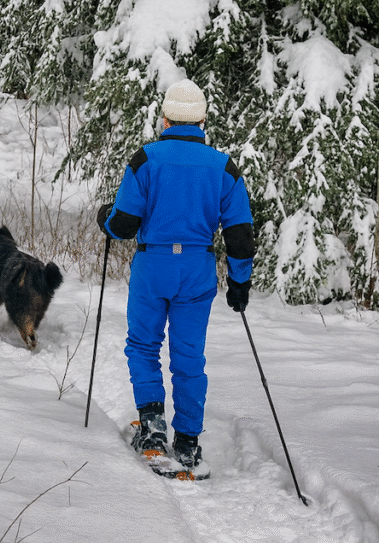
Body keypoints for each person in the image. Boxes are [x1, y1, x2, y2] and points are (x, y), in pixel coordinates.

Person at [97, 78, 254, 478]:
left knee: (143, 346)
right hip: (197, 270)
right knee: (188, 356)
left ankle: (152, 430)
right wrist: (240, 283)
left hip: (154, 267)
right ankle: (187, 441)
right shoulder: (223, 166)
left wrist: (106, 220)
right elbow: (239, 234)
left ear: (165, 119)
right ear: (202, 121)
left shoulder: (145, 160)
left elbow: (124, 225)